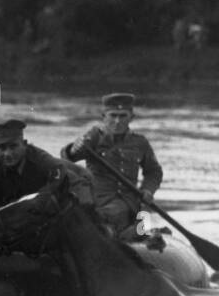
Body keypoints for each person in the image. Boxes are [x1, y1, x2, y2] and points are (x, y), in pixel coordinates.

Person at [63, 93, 162, 238]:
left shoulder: (140, 143)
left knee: (143, 229)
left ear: (131, 118)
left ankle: (135, 235)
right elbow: (69, 157)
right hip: (97, 203)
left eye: (123, 116)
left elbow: (154, 172)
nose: (117, 121)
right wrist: (72, 149)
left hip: (130, 204)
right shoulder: (94, 137)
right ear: (104, 116)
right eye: (113, 115)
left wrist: (147, 190)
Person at [0, 119, 92, 212]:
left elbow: (61, 173)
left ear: (24, 144)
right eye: (2, 148)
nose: (7, 153)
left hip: (80, 180)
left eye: (13, 146)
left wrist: (43, 195)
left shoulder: (39, 158)